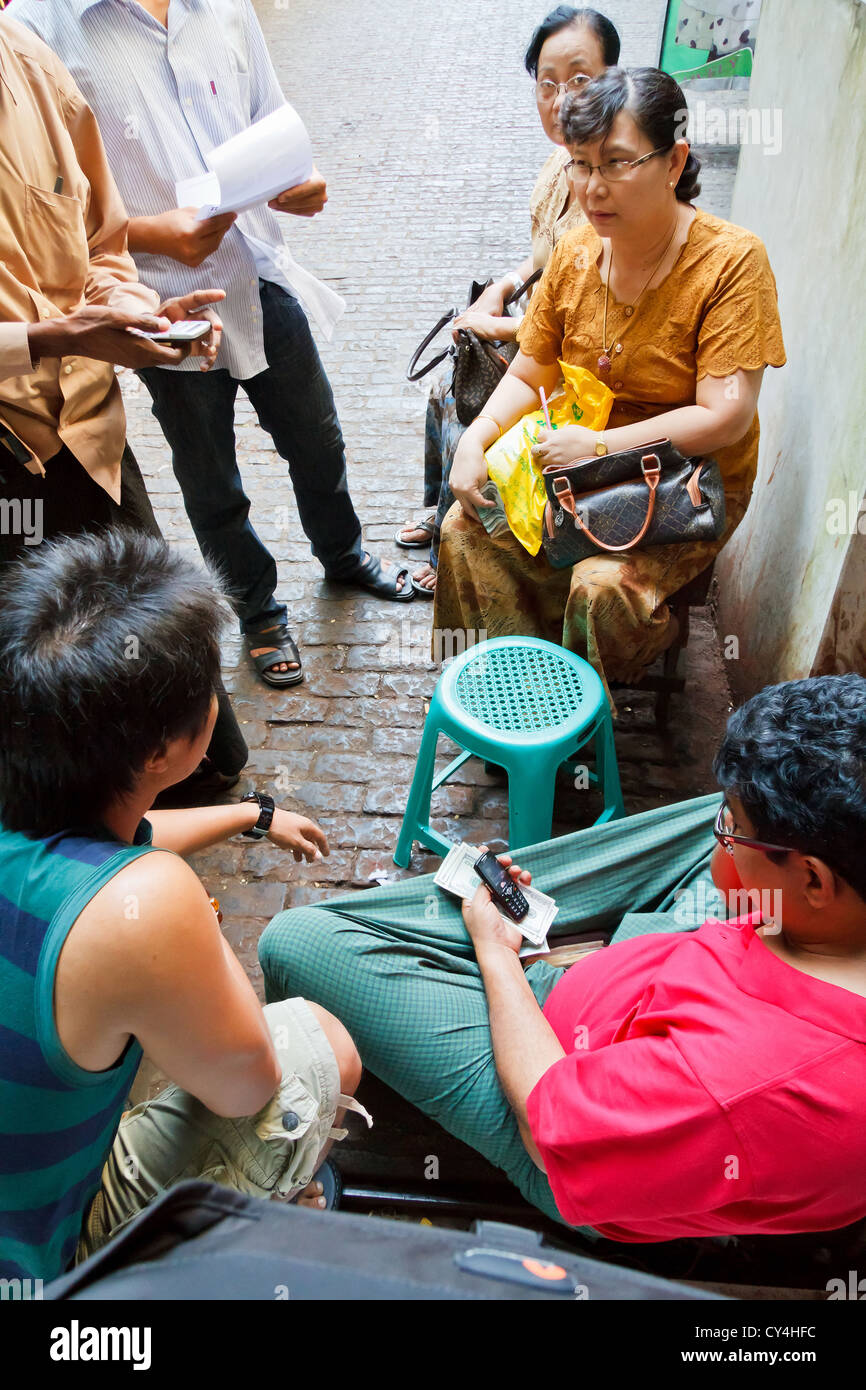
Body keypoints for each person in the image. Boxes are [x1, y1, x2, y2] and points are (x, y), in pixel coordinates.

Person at [260, 674, 866, 1241]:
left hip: (556, 1089)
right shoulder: (824, 912)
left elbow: (549, 1123)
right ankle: (514, 927)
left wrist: (497, 956)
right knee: (716, 825)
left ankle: (480, 946)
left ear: (813, 882)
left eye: (729, 828)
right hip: (658, 972)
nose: (720, 833)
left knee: (294, 941)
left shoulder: (745, 1083)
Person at [12, 0, 415, 694]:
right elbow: (71, 215)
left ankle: (344, 553)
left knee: (318, 442)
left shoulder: (223, 6)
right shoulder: (44, 28)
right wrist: (154, 235)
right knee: (210, 478)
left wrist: (301, 181)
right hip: (163, 306)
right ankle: (258, 610)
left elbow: (271, 119)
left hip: (258, 273)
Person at [0, 529, 369, 1284]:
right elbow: (247, 1084)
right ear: (160, 755)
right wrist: (192, 925)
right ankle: (229, 1240)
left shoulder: (37, 788)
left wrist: (252, 815)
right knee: (323, 1046)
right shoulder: (145, 903)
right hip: (39, 1260)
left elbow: (105, 837)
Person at [435, 67, 786, 700]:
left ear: (674, 162)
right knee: (465, 529)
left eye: (616, 163)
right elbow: (532, 369)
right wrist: (476, 436)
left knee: (600, 588)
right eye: (579, 164)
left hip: (684, 486)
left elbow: (726, 416)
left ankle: (582, 718)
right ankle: (517, 693)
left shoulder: (732, 263)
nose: (593, 188)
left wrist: (601, 448)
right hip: (577, 462)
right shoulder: (572, 253)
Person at [0, 12, 248, 795]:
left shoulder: (31, 61)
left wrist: (135, 316)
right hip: (7, 456)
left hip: (87, 431)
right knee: (33, 715)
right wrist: (47, 336)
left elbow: (101, 245)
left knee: (175, 695)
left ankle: (182, 800)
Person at [398, 5, 620, 598]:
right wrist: (501, 287)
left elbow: (578, 325)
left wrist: (499, 329)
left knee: (463, 412)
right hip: (536, 331)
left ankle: (453, 541)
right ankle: (437, 507)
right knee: (444, 392)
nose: (561, 98)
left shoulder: (612, 190)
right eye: (547, 84)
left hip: (569, 370)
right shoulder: (559, 166)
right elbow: (544, 259)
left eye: (580, 80)